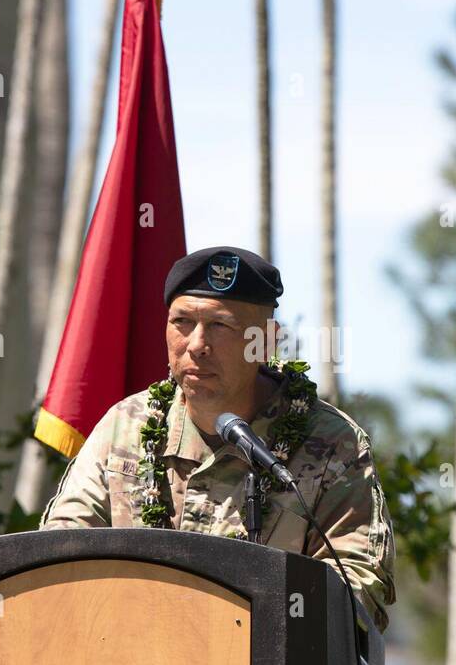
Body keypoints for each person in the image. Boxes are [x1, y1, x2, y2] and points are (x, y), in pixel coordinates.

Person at [40, 245, 396, 632]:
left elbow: (358, 589)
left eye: (220, 326)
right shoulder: (125, 425)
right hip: (128, 663)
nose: (196, 345)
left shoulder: (331, 444)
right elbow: (62, 553)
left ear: (267, 341)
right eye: (182, 322)